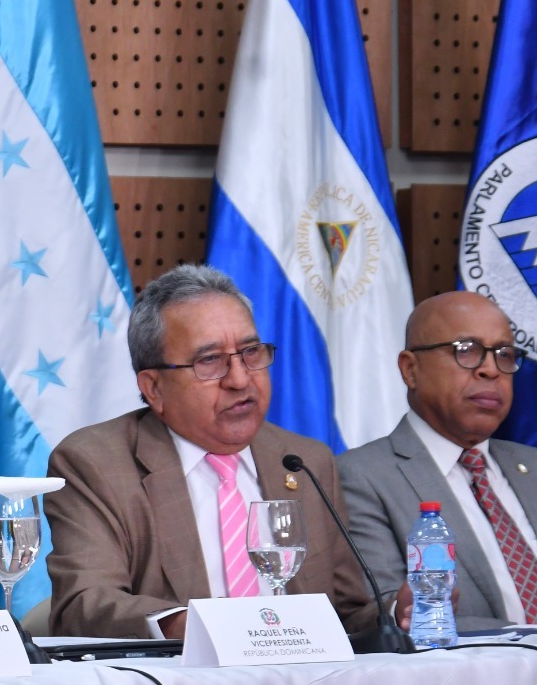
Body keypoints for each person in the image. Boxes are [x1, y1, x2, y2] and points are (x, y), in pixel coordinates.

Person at [45, 265, 376, 639]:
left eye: (250, 352)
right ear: (153, 387)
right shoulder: (96, 463)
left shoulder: (305, 462)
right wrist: (204, 627)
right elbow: (85, 604)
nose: (239, 379)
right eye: (210, 361)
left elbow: (346, 614)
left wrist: (396, 613)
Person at [339, 291, 537, 631]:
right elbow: (385, 615)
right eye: (467, 351)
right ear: (410, 370)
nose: (491, 370)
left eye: (505, 355)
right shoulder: (362, 477)